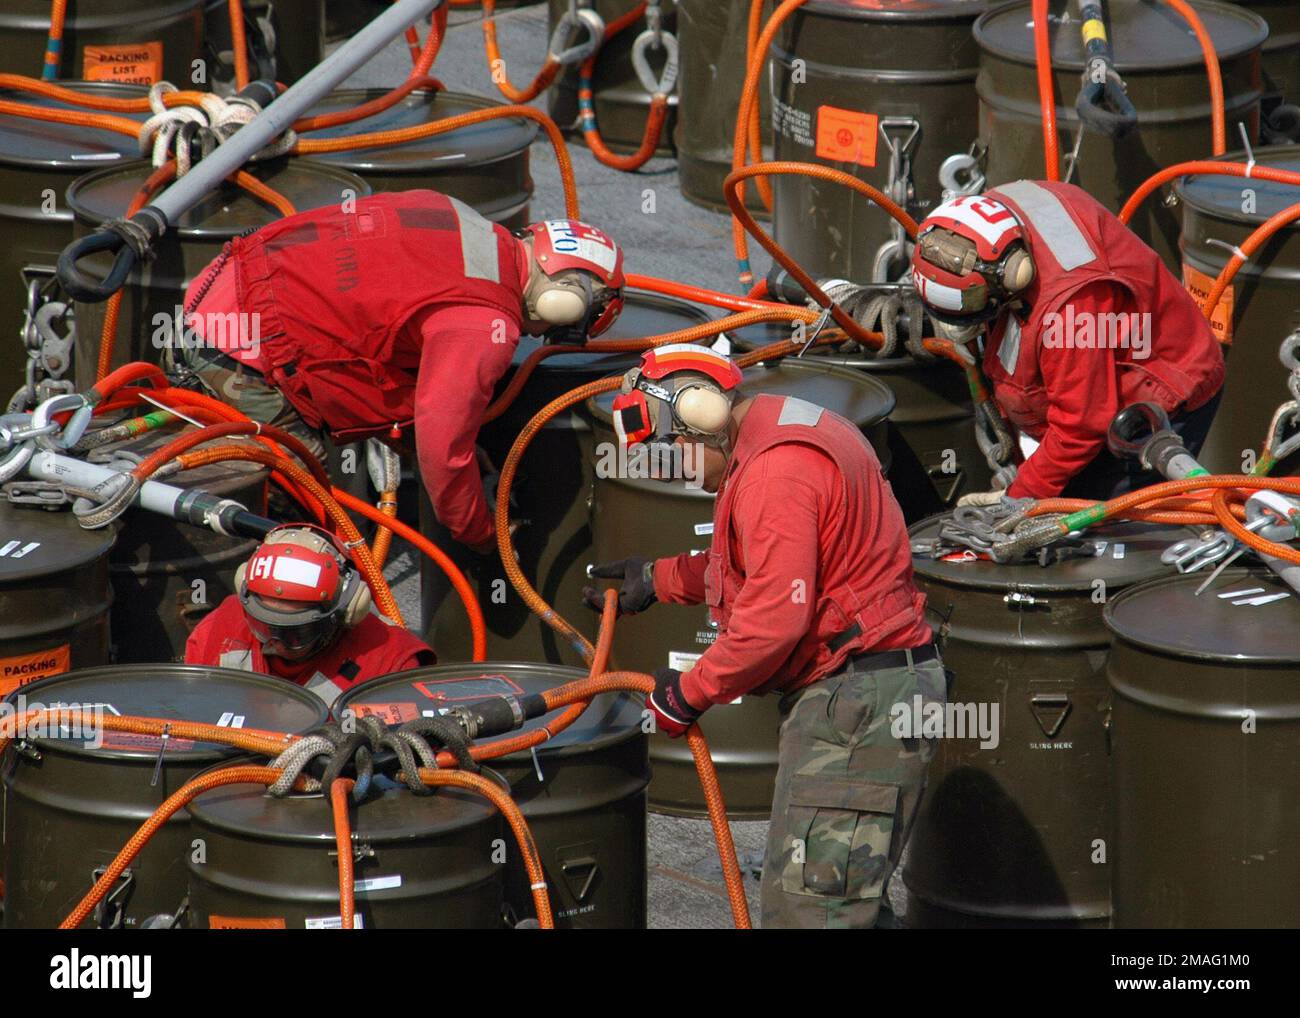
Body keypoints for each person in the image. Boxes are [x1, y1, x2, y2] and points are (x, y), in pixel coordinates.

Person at [583, 344, 947, 929]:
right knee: (845, 908)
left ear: (697, 418)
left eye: (670, 451)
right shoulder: (774, 426)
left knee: (813, 913)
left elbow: (773, 622)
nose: (671, 467)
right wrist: (658, 578)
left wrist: (684, 695)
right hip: (870, 694)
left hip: (860, 708)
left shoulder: (775, 476)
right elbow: (758, 566)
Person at [178, 189, 624, 552]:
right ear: (562, 297)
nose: (537, 335)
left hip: (213, 295)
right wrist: (479, 532)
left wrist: (407, 436)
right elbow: (443, 450)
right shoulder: (485, 323)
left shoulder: (455, 211)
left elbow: (376, 316)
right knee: (312, 544)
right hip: (242, 358)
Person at [909, 180, 1224, 504]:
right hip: (1091, 372)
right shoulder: (991, 219)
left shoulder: (1070, 313)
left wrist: (1020, 499)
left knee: (1112, 532)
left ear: (1009, 281)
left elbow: (1081, 427)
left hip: (1160, 389)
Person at [186, 525, 434, 706]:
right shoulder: (220, 626)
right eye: (261, 625)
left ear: (343, 615)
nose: (274, 643)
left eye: (295, 633)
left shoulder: (389, 664)